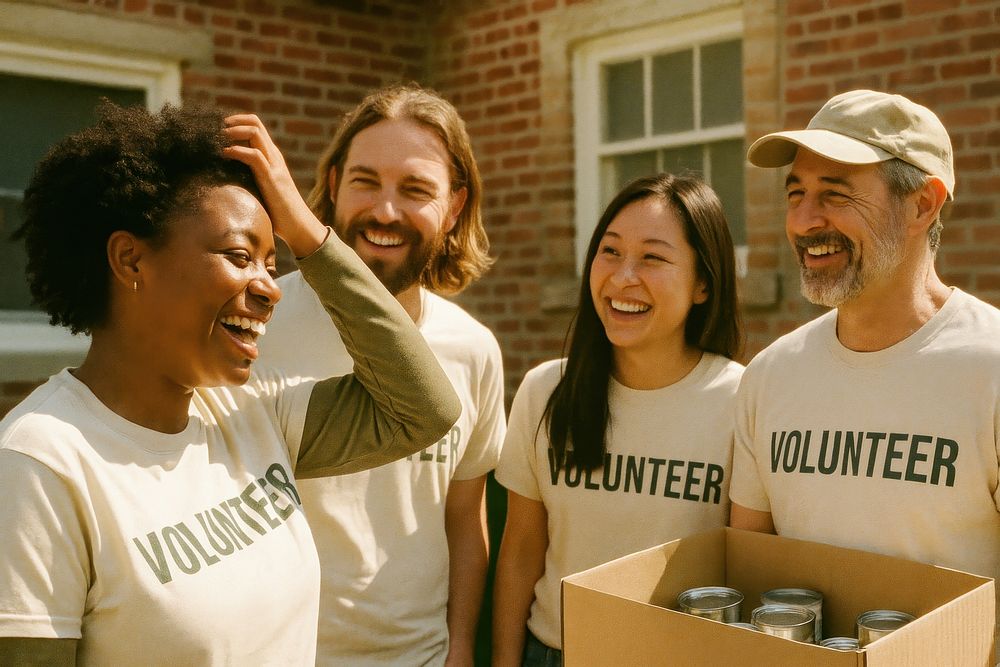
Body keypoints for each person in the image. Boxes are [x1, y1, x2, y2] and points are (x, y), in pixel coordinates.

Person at [0, 102, 460, 665]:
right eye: (240, 256)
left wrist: (311, 237)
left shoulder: (248, 412)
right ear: (130, 259)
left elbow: (423, 410)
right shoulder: (42, 463)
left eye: (272, 262)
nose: (270, 289)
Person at [729, 90, 1000, 628]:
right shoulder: (769, 377)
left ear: (923, 204)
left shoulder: (989, 368)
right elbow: (750, 574)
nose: (804, 221)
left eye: (835, 195)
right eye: (795, 193)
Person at [258, 84, 505, 666]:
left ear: (456, 206)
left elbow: (465, 522)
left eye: (415, 189)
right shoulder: (258, 323)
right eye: (366, 181)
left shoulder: (474, 350)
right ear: (336, 182)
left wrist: (461, 647)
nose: (385, 211)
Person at [492, 173, 745, 666]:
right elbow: (521, 552)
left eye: (652, 257)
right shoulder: (546, 390)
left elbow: (749, 568)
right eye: (610, 252)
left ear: (703, 284)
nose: (623, 276)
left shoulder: (741, 399)